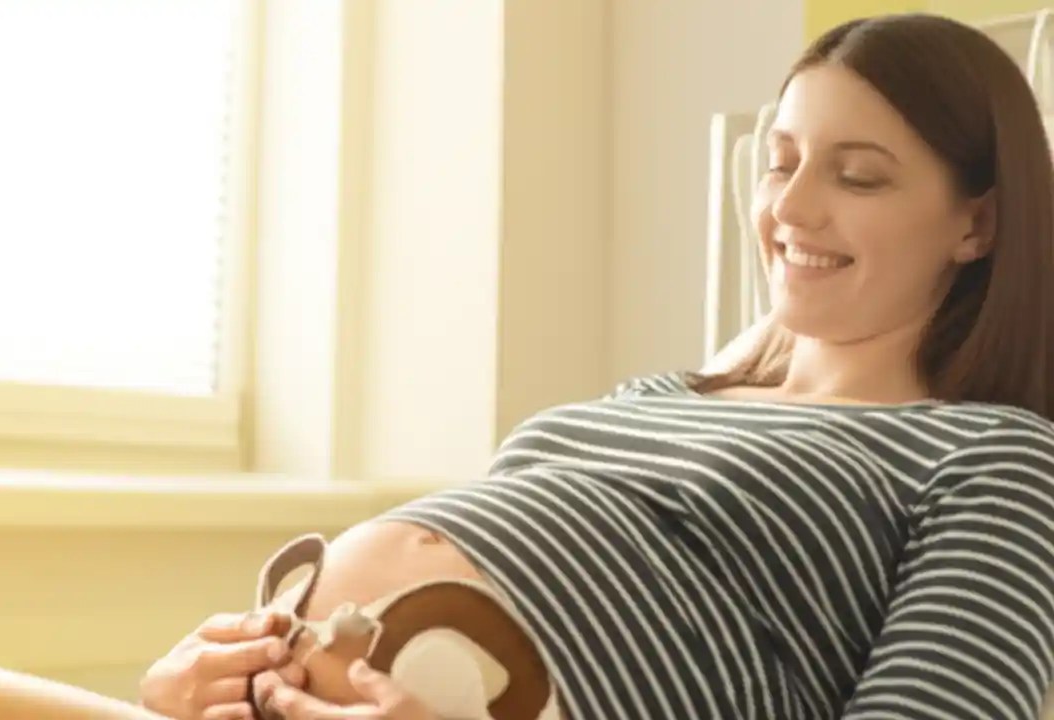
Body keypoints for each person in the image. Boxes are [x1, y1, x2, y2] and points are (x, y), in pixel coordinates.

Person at [139, 13, 1054, 720]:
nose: (791, 209)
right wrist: (186, 685)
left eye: (858, 177)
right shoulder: (650, 397)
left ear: (977, 224)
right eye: (780, 165)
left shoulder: (993, 457)